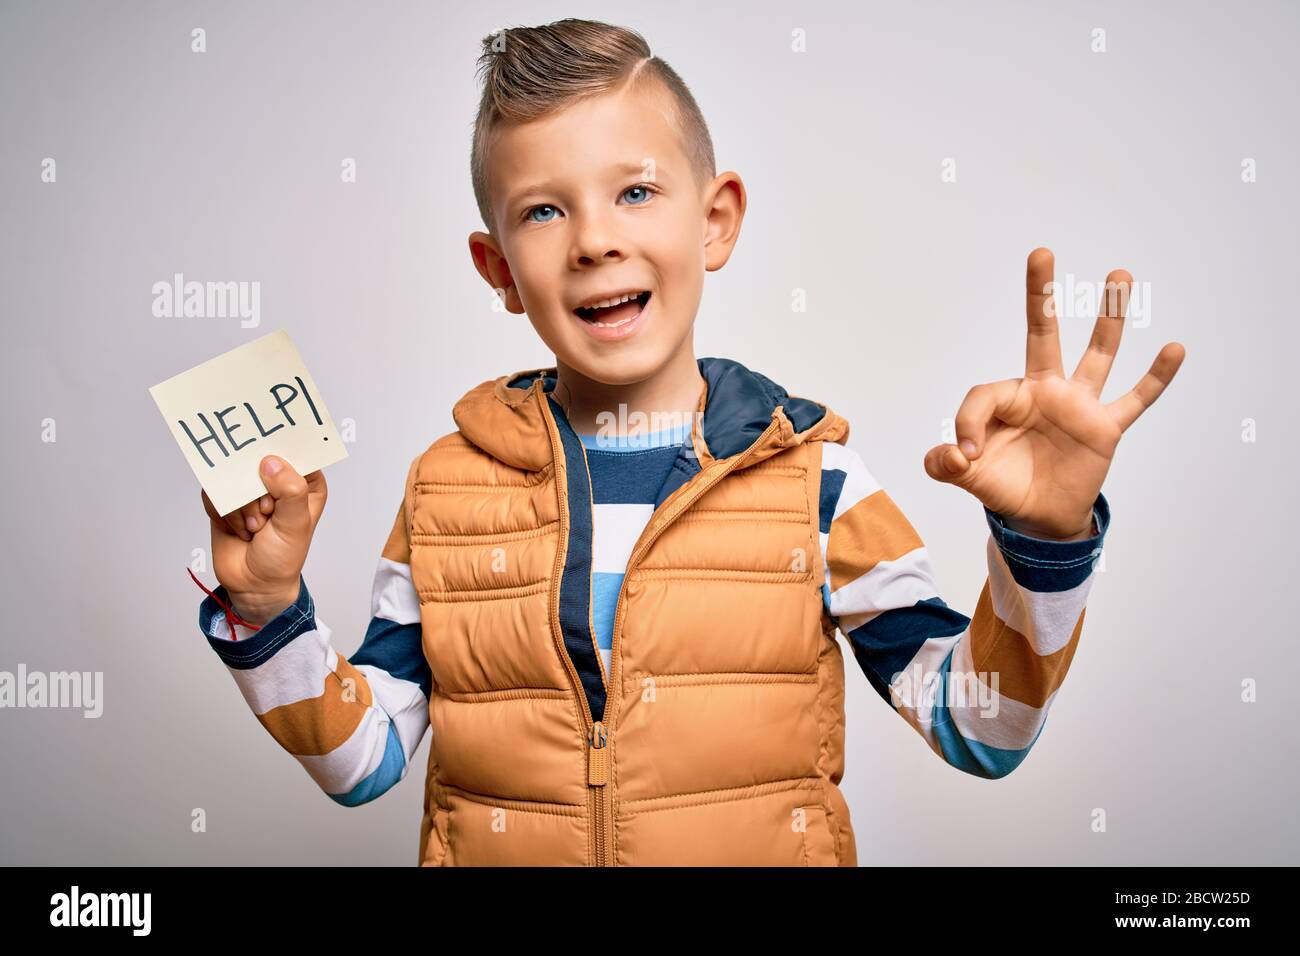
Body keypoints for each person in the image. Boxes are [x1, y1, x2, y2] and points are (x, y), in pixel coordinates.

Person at [195, 18, 1184, 866]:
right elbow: (361, 763)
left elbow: (984, 729)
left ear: (715, 221)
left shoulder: (813, 477)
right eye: (544, 209)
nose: (593, 240)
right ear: (499, 269)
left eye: (634, 192)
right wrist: (269, 607)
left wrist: (1046, 544)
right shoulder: (447, 489)